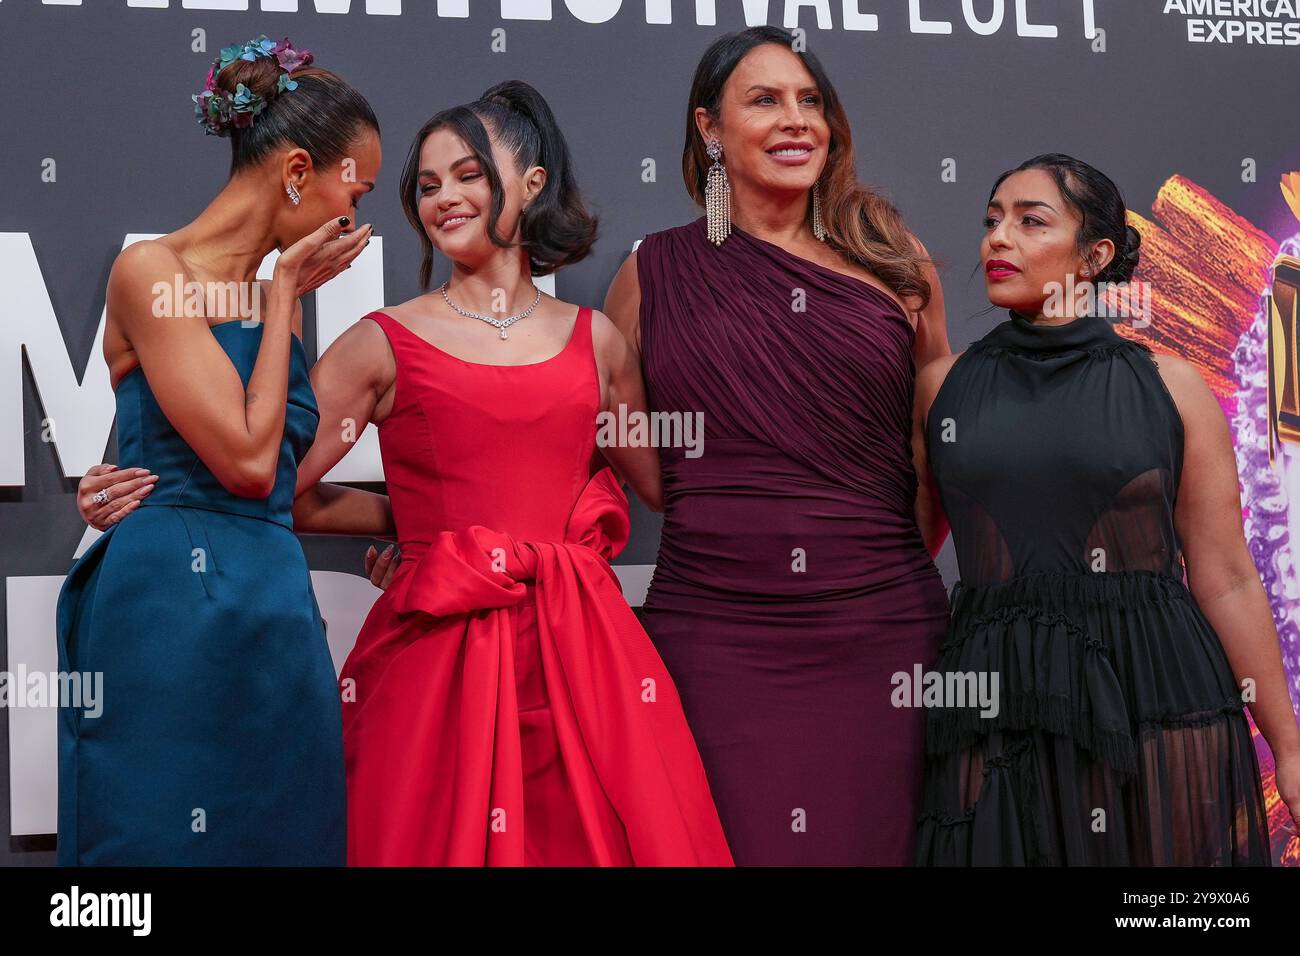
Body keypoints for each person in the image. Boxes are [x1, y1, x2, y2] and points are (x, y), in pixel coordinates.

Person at [600, 26, 951, 865]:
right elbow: (639, 461)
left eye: (810, 101)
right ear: (709, 128)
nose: (797, 121)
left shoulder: (895, 263)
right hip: (714, 634)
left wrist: (874, 561)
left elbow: (938, 445)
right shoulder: (651, 272)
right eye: (765, 100)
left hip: (882, 630)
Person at [911, 153, 1300, 865]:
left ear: (1095, 255)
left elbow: (1228, 576)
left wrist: (1289, 747)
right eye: (992, 221)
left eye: (1031, 222)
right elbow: (904, 548)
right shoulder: (943, 386)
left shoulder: (1172, 388)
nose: (998, 239)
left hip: (1156, 691)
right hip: (993, 699)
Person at [59, 35, 377, 865]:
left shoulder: (282, 296)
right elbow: (240, 461)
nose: (355, 222)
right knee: (158, 832)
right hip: (170, 603)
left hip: (271, 601)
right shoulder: (150, 269)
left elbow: (275, 479)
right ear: (300, 172)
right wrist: (280, 300)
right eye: (356, 192)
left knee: (286, 830)